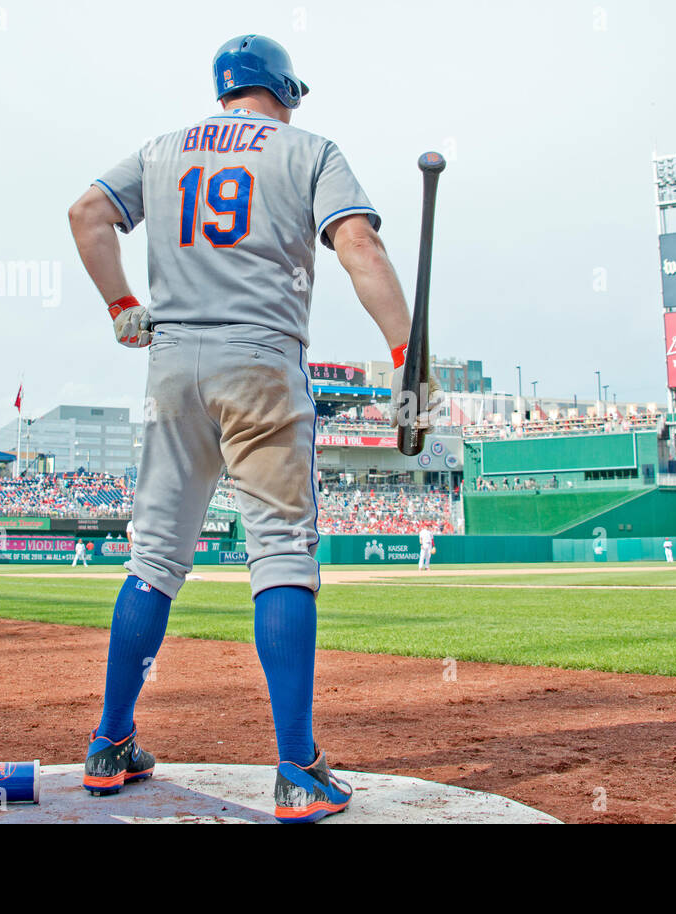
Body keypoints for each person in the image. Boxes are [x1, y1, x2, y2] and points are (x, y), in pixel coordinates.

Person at [67, 35, 439, 823]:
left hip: (171, 363)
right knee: (279, 552)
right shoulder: (308, 149)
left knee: (156, 555)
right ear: (285, 91)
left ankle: (109, 744)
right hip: (262, 358)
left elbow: (87, 213)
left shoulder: (163, 148)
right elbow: (358, 244)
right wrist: (408, 352)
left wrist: (120, 305)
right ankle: (299, 770)